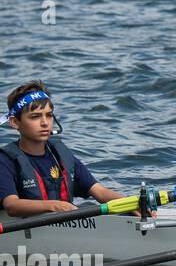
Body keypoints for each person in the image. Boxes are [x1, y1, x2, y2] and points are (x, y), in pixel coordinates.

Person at [1, 81, 132, 217]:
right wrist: (54, 205)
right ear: (15, 122)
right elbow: (12, 205)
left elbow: (99, 191)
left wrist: (130, 204)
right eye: (35, 117)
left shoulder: (62, 155)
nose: (45, 123)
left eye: (49, 115)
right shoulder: (5, 160)